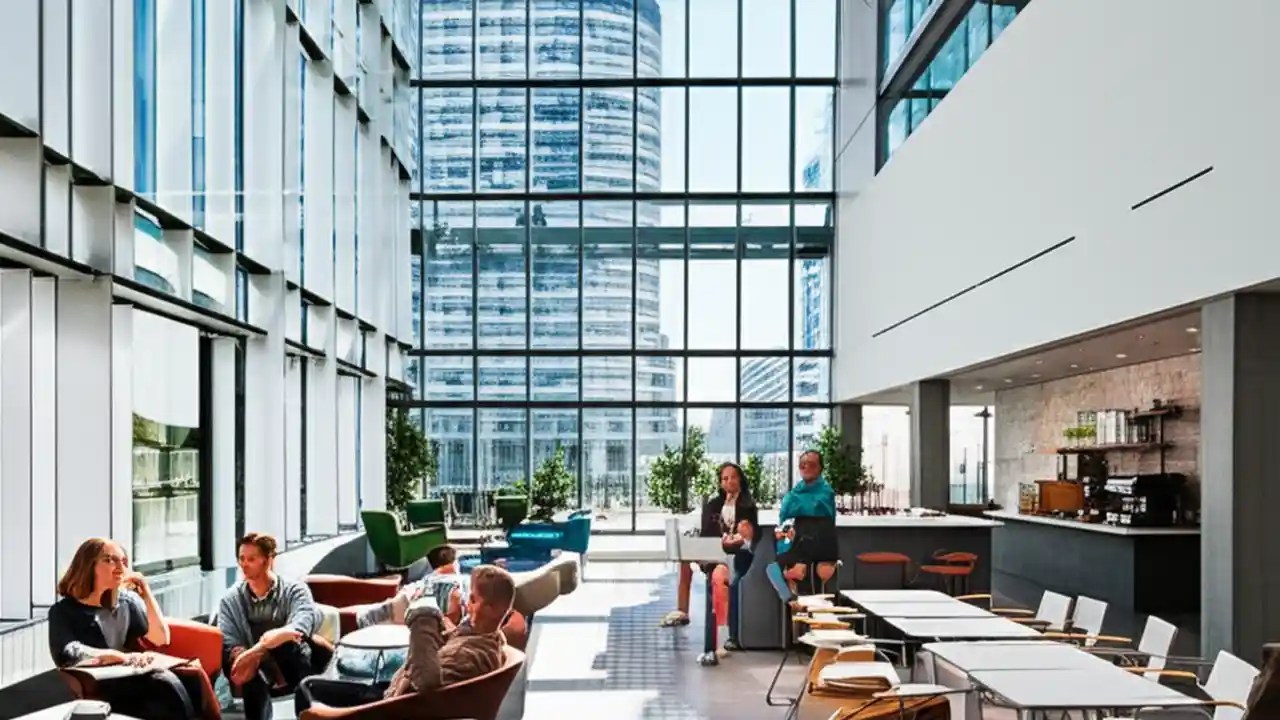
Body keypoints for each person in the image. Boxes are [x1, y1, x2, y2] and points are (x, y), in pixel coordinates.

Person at [295, 564, 516, 712]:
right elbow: (447, 654)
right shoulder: (490, 639)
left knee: (308, 687)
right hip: (398, 692)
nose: (467, 603)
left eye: (474, 599)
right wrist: (444, 621)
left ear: (493, 609)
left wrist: (423, 615)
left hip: (392, 707)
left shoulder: (472, 654)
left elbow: (426, 682)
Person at [46, 538, 201, 719]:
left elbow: (161, 638)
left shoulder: (126, 602)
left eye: (123, 561)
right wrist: (116, 656)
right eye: (110, 560)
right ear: (88, 566)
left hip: (132, 678)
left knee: (186, 680)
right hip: (97, 689)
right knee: (165, 686)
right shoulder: (63, 612)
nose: (120, 567)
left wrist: (145, 593)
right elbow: (67, 654)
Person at [216, 532, 328, 720]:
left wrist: (260, 649)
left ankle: (307, 713)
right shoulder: (230, 599)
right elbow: (228, 638)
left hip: (289, 658)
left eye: (251, 559)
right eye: (241, 558)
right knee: (248, 668)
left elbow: (300, 625)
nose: (244, 564)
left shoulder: (295, 590)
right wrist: (249, 655)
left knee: (294, 647)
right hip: (250, 663)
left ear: (268, 561)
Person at [660, 462, 759, 653]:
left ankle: (723, 634)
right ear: (720, 482)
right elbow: (707, 532)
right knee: (685, 558)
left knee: (719, 577)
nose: (729, 481)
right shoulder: (713, 504)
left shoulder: (748, 505)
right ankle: (682, 610)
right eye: (725, 478)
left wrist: (740, 536)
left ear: (740, 479)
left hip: (737, 555)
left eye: (733, 477)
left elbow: (751, 536)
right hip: (715, 551)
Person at [766, 450, 838, 602]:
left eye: (811, 464)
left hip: (821, 546)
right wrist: (783, 532)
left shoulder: (826, 492)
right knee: (772, 567)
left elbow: (824, 522)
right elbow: (785, 521)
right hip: (797, 543)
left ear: (820, 468)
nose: (806, 468)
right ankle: (791, 597)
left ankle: (798, 571)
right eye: (802, 465)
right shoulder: (793, 494)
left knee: (811, 527)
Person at [355, 544, 466, 630]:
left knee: (370, 614)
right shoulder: (446, 581)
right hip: (410, 603)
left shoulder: (443, 579)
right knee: (368, 615)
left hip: (411, 601)